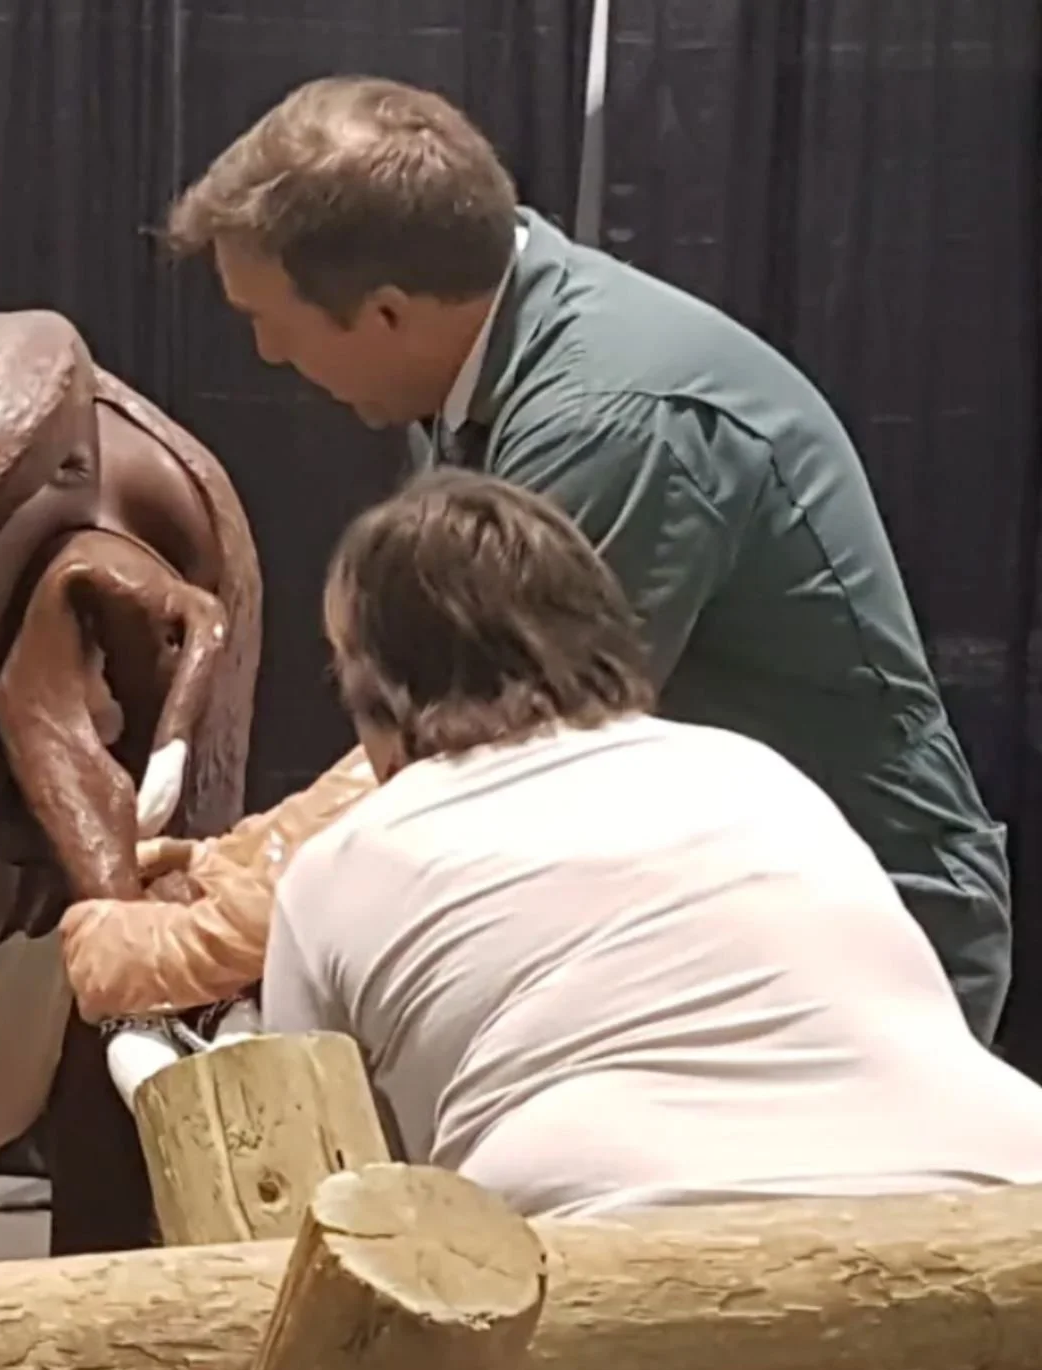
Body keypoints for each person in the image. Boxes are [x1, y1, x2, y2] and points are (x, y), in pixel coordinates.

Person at [134, 74, 1009, 1042]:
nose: (264, 356)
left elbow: (475, 738)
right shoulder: (478, 374)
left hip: (851, 937)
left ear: (384, 314)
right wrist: (239, 861)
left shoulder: (609, 422)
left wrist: (219, 912)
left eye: (267, 321)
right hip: (719, 908)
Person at [268, 470, 1042, 1226]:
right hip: (1001, 1193)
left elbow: (320, 1198)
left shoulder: (340, 868)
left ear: (380, 695)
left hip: (607, 1247)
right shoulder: (751, 770)